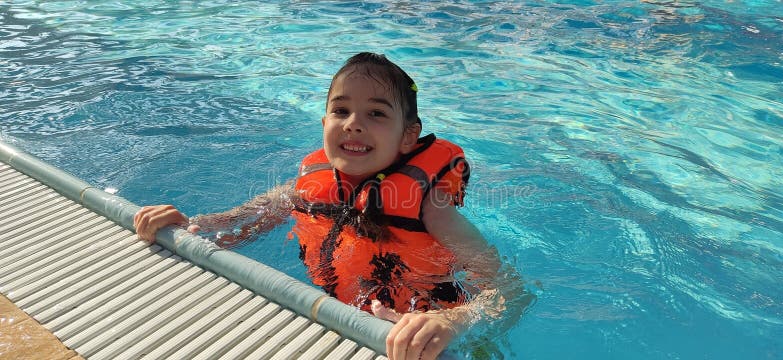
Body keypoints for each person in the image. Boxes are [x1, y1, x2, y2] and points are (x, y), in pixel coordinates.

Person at [134, 52, 528, 360]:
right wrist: (188, 226)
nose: (354, 123)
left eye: (376, 113)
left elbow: (510, 290)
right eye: (341, 110)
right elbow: (237, 226)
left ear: (408, 137)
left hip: (424, 333)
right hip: (340, 318)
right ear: (324, 121)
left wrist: (451, 323)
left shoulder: (430, 208)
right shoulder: (307, 187)